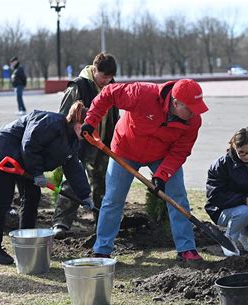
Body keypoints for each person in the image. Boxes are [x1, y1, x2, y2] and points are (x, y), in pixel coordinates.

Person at [81, 79, 209, 261]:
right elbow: (109, 93)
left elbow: (180, 151)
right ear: (175, 103)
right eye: (190, 108)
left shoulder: (193, 121)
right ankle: (102, 249)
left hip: (161, 155)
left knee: (177, 197)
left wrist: (162, 175)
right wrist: (91, 120)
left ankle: (186, 248)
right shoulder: (143, 94)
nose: (194, 113)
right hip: (125, 149)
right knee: (113, 199)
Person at [0, 101, 94, 264]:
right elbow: (30, 143)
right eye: (87, 128)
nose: (88, 133)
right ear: (78, 124)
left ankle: (25, 243)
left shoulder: (73, 141)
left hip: (23, 161)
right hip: (5, 152)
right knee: (2, 200)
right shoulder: (51, 122)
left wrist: (85, 195)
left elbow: (73, 167)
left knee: (32, 198)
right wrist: (37, 173)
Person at [52, 53, 119, 239]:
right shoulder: (78, 87)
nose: (107, 81)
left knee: (102, 184)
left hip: (103, 142)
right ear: (94, 70)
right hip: (80, 144)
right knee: (73, 182)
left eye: (110, 77)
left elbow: (115, 113)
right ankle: (61, 223)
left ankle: (102, 222)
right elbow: (64, 117)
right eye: (104, 76)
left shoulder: (112, 86)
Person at [205, 127, 248, 257]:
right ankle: (228, 239)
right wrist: (244, 200)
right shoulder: (221, 165)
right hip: (222, 209)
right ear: (234, 146)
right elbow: (214, 195)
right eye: (241, 152)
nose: (246, 156)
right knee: (244, 212)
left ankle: (245, 236)